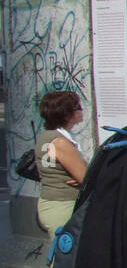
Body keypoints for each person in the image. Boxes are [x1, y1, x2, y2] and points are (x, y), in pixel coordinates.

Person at [34, 90, 88, 241]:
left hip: (52, 204)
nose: (81, 110)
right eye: (78, 107)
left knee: (62, 256)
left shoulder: (47, 135)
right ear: (66, 115)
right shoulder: (61, 142)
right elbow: (86, 178)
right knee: (65, 260)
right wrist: (86, 176)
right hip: (63, 206)